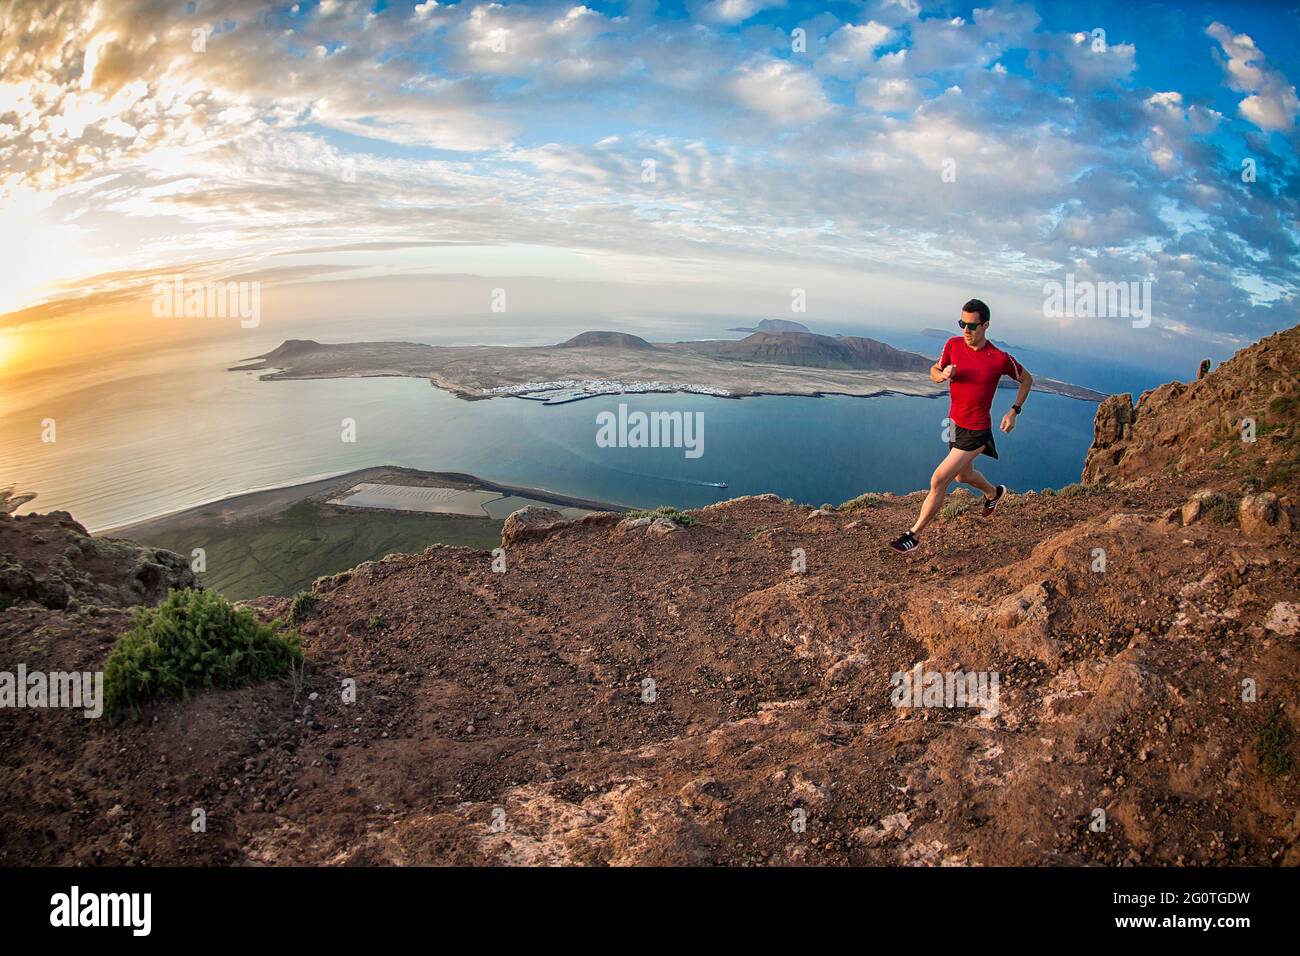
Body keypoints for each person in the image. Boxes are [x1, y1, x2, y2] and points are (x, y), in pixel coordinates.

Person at [889, 298, 1033, 553]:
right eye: (962, 324)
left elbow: (1027, 380)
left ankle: (914, 535)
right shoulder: (953, 345)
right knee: (962, 476)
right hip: (955, 424)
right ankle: (993, 493)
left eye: (972, 326)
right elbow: (934, 371)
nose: (966, 330)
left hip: (977, 430)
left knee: (939, 479)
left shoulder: (999, 358)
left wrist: (1014, 411)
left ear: (986, 325)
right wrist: (942, 375)